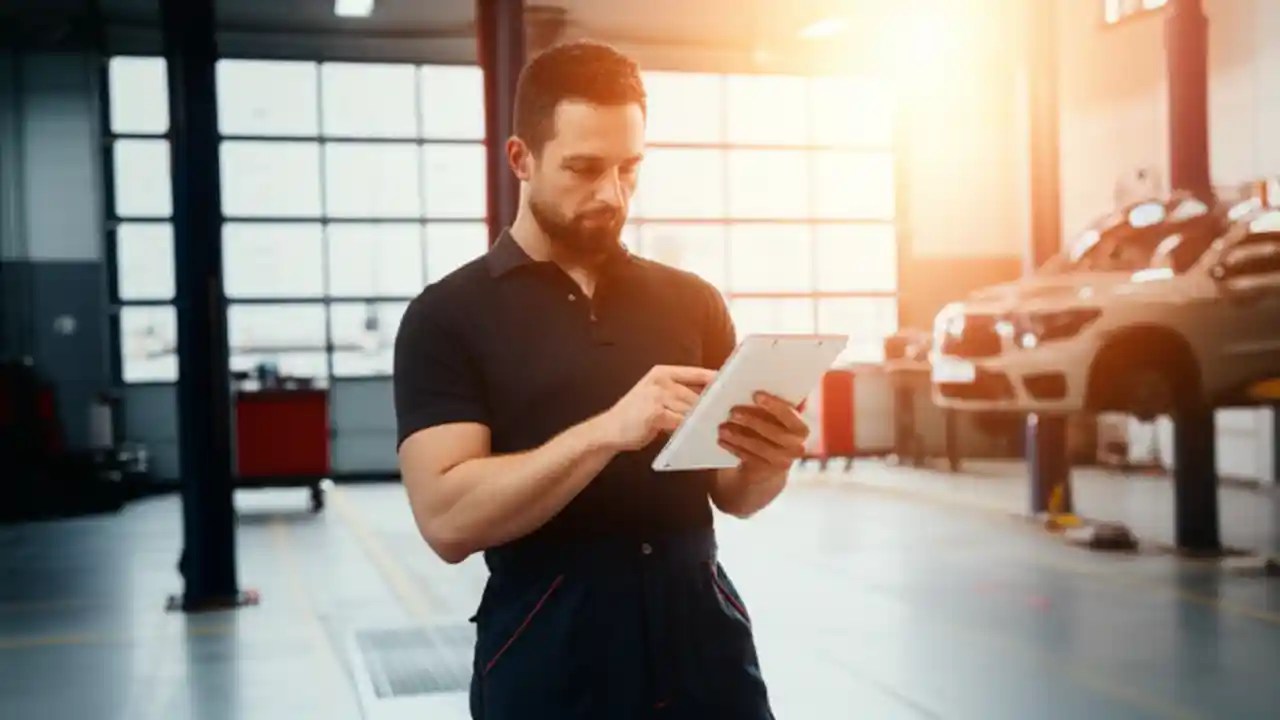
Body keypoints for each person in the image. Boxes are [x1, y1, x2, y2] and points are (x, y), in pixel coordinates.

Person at [393, 40, 809, 720]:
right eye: (584, 169)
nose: (611, 194)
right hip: (551, 665)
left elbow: (734, 494)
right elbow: (446, 520)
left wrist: (772, 459)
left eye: (629, 169)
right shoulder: (448, 317)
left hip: (708, 658)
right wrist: (610, 433)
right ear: (521, 159)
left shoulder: (691, 301)